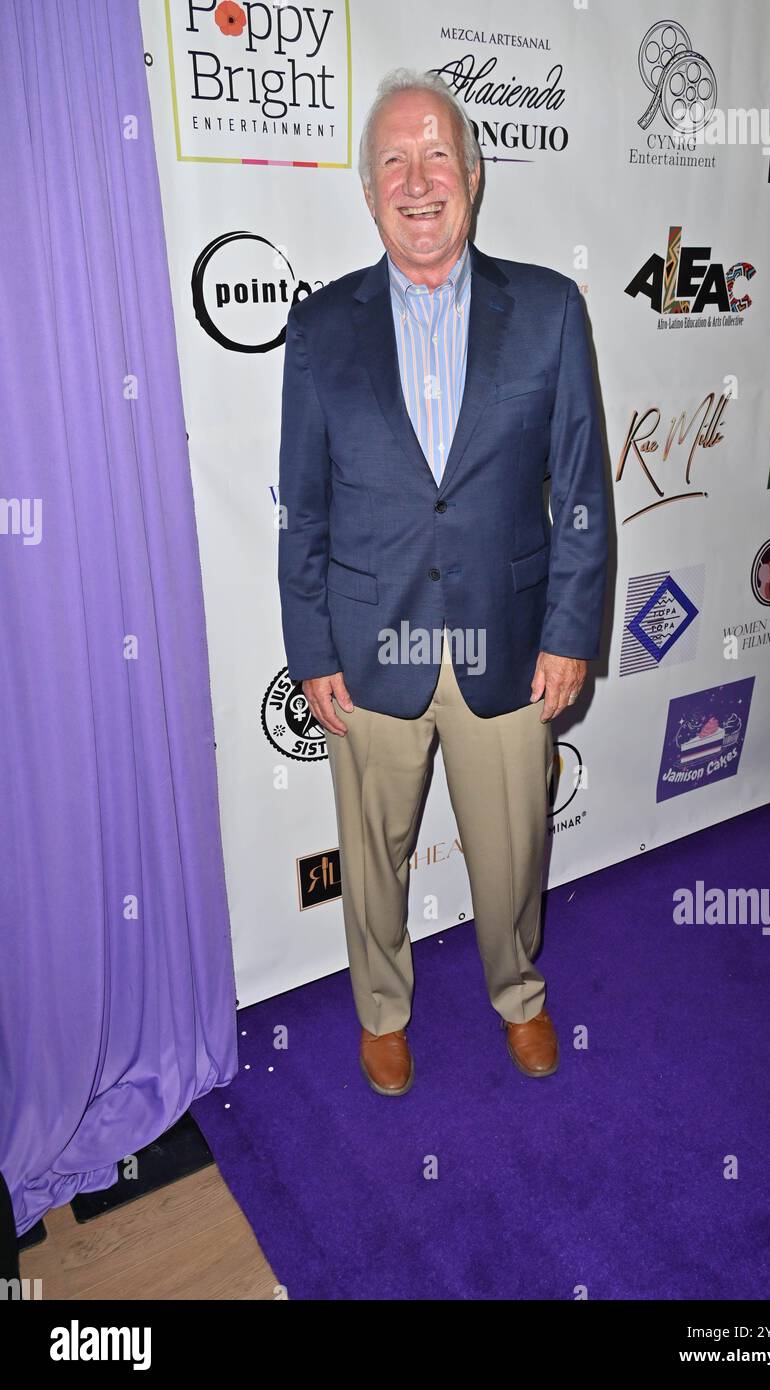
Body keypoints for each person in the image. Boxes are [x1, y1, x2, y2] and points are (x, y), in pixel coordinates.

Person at [278, 68, 608, 1096]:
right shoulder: (322, 328)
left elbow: (585, 487)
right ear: (370, 191)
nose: (418, 180)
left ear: (472, 173)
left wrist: (570, 631)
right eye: (393, 161)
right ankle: (381, 1007)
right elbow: (304, 507)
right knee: (371, 857)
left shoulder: (549, 310)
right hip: (369, 642)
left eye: (436, 156)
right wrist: (312, 648)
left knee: (511, 852)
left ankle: (519, 991)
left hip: (507, 643)